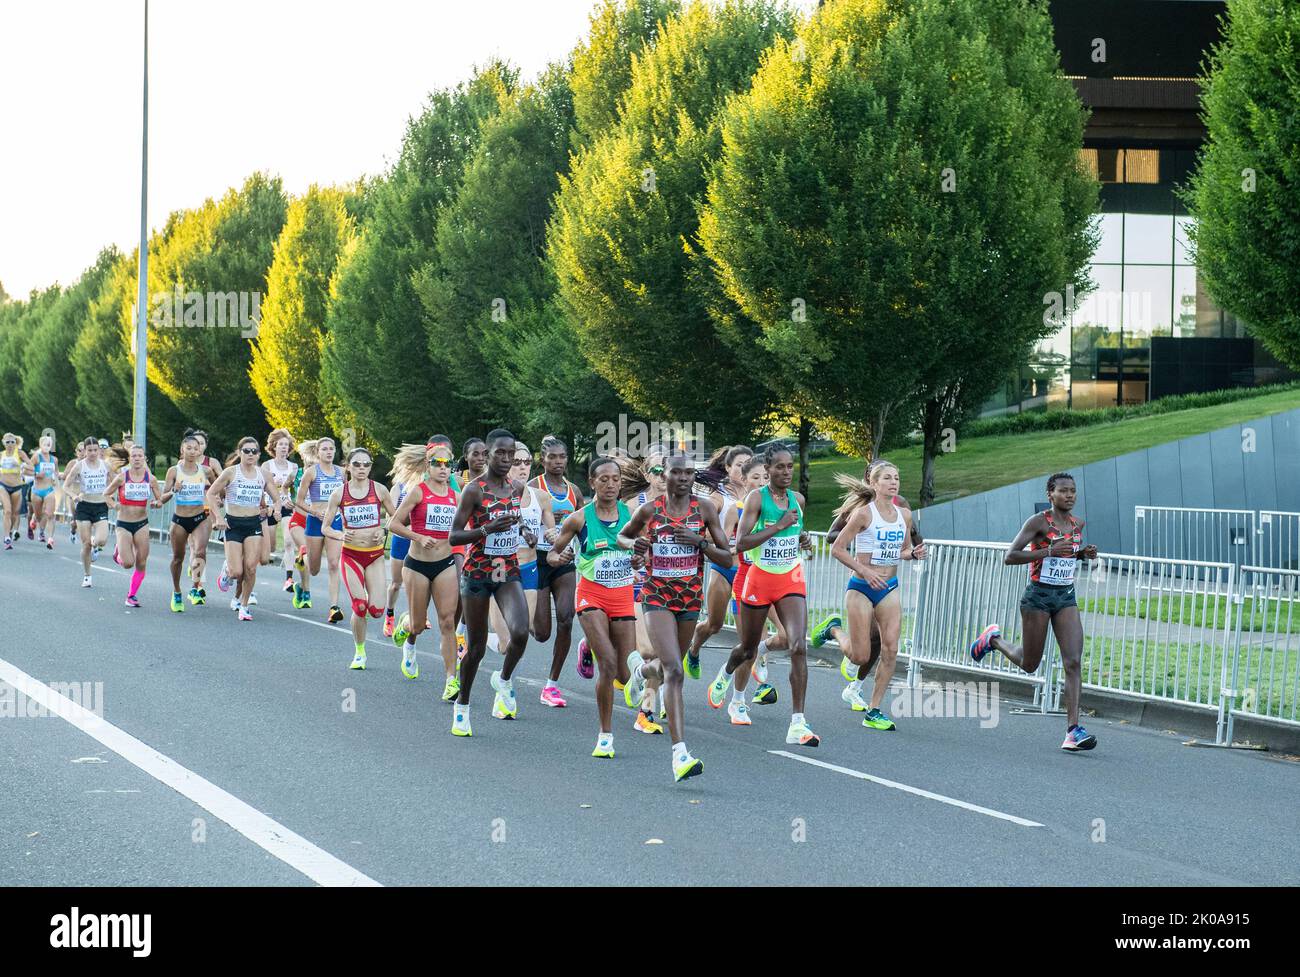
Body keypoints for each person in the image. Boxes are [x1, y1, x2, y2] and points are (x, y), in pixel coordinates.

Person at [619, 452, 730, 780]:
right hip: (656, 597)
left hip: (690, 600)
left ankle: (639, 671)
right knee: (675, 672)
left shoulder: (705, 509)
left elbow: (728, 559)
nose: (682, 478)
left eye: (688, 473)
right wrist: (634, 546)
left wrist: (700, 542)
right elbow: (624, 535)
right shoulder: (650, 510)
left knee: (670, 670)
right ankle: (680, 754)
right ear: (663, 476)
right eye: (675, 472)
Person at [970, 472, 1099, 751]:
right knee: (1030, 664)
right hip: (1038, 597)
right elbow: (1010, 556)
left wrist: (1081, 554)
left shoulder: (1077, 524)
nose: (1070, 496)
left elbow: (1067, 554)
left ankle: (1073, 730)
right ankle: (993, 639)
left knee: (1073, 661)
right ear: (1050, 495)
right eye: (1063, 491)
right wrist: (1047, 551)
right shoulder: (1038, 522)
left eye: (1073, 491)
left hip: (1065, 596)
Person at [708, 445, 819, 747]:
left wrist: (802, 539)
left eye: (790, 467)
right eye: (780, 467)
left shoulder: (797, 500)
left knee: (798, 646)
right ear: (768, 469)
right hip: (759, 578)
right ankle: (727, 670)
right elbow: (742, 543)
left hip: (790, 578)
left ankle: (798, 723)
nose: (786, 472)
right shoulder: (757, 499)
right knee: (747, 649)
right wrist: (778, 526)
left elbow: (795, 534)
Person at [547, 456, 646, 764]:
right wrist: (559, 558)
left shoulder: (632, 515)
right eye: (603, 479)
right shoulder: (579, 519)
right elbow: (552, 554)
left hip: (621, 596)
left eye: (615, 479)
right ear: (592, 483)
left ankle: (588, 644)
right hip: (591, 597)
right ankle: (605, 736)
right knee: (608, 664)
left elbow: (640, 554)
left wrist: (638, 560)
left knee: (625, 670)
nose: (610, 485)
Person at [827, 462, 922, 730]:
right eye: (888, 478)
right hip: (861, 587)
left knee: (891, 649)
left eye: (897, 478)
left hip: (889, 587)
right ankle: (834, 630)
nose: (894, 482)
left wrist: (912, 554)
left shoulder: (904, 515)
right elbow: (837, 548)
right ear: (875, 483)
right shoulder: (862, 514)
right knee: (859, 656)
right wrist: (864, 571)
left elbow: (903, 550)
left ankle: (874, 710)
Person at [447, 430, 531, 736]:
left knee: (521, 632)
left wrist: (526, 532)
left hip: (507, 569)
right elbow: (454, 536)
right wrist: (486, 530)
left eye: (511, 454)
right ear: (488, 454)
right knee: (477, 649)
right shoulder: (474, 490)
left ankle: (504, 679)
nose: (507, 459)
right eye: (500, 454)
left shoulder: (517, 488)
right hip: (478, 573)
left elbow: (516, 519)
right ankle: (463, 705)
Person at [389, 438, 463, 701]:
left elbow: (464, 528)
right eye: (437, 463)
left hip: (444, 564)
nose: (443, 468)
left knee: (446, 622)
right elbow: (394, 524)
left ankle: (451, 681)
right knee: (419, 625)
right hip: (417, 565)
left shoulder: (457, 496)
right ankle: (407, 626)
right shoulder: (418, 491)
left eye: (448, 464)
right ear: (428, 466)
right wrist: (418, 537)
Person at [320, 448, 397, 671]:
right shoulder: (339, 494)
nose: (361, 468)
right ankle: (360, 651)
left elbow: (395, 517)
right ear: (349, 467)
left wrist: (384, 530)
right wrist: (341, 534)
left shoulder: (380, 490)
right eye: (357, 464)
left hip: (374, 556)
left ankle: (398, 622)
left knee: (376, 611)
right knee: (360, 606)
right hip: (351, 555)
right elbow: (326, 527)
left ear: (371, 467)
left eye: (366, 464)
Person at [531, 435, 584, 688]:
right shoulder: (533, 487)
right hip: (539, 560)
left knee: (566, 618)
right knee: (541, 633)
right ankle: (519, 620)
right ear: (543, 460)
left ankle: (552, 682)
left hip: (564, 560)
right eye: (552, 457)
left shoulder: (573, 491)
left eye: (562, 456)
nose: (558, 461)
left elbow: (584, 525)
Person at [206, 437, 272, 621]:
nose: (250, 454)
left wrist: (275, 508)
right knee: (237, 572)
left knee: (250, 568)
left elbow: (276, 495)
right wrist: (218, 516)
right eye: (246, 451)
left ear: (258, 454)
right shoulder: (230, 472)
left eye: (254, 451)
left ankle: (244, 606)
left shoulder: (263, 475)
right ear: (239, 453)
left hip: (253, 524)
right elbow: (211, 493)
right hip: (232, 524)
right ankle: (227, 571)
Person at [103, 444, 165, 607]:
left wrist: (156, 503)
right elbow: (106, 494)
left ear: (144, 458)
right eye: (134, 456)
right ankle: (118, 553)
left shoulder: (150, 479)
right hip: (123, 524)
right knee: (128, 563)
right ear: (129, 459)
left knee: (142, 561)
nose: (137, 458)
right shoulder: (122, 477)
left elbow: (160, 500)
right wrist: (114, 504)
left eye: (140, 456)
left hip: (142, 523)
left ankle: (131, 595)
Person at [295, 436, 346, 622]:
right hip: (316, 522)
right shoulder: (311, 472)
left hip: (335, 521)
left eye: (331, 449)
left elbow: (346, 498)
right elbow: (299, 501)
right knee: (314, 569)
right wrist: (315, 512)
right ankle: (303, 559)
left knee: (333, 564)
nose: (329, 452)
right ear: (318, 453)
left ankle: (334, 607)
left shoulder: (342, 473)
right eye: (324, 449)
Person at [161, 434, 213, 610]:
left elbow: (216, 487)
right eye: (188, 448)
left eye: (196, 448)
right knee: (178, 558)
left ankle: (195, 587)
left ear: (200, 451)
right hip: (180, 519)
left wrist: (217, 499)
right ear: (182, 449)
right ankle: (176, 593)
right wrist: (173, 491)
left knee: (200, 552)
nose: (192, 451)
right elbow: (162, 497)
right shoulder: (173, 471)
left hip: (200, 517)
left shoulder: (205, 470)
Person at [61, 437, 112, 587]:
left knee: (101, 540)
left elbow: (116, 482)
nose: (93, 453)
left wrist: (111, 496)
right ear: (84, 451)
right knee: (85, 544)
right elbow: (65, 486)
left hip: (100, 506)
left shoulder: (105, 465)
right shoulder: (79, 466)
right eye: (89, 450)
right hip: (84, 506)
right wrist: (74, 496)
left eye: (95, 450)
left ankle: (96, 544)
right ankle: (87, 575)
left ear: (99, 450)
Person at [260, 429, 299, 596]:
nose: (284, 448)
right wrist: (265, 506)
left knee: (290, 542)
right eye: (280, 444)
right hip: (269, 506)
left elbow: (297, 489)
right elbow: (261, 488)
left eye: (286, 445)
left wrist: (295, 503)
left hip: (286, 507)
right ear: (274, 446)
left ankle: (289, 579)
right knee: (271, 547)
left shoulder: (294, 467)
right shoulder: (267, 466)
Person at [0, 433, 31, 548]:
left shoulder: (20, 454)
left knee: (14, 513)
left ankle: (11, 529)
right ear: (4, 443)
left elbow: (31, 466)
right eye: (7, 442)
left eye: (12, 442)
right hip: (3, 485)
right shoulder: (1, 455)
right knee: (7, 511)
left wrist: (24, 466)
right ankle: (7, 537)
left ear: (16, 443)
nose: (10, 444)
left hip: (17, 486)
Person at [28, 435, 59, 548]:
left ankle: (50, 539)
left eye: (49, 445)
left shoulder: (54, 459)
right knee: (39, 515)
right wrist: (36, 474)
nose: (47, 446)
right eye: (45, 444)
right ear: (41, 445)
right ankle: (34, 518)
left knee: (50, 514)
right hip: (37, 491)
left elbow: (55, 472)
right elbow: (27, 470)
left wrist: (55, 479)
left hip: (49, 490)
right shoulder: (36, 457)